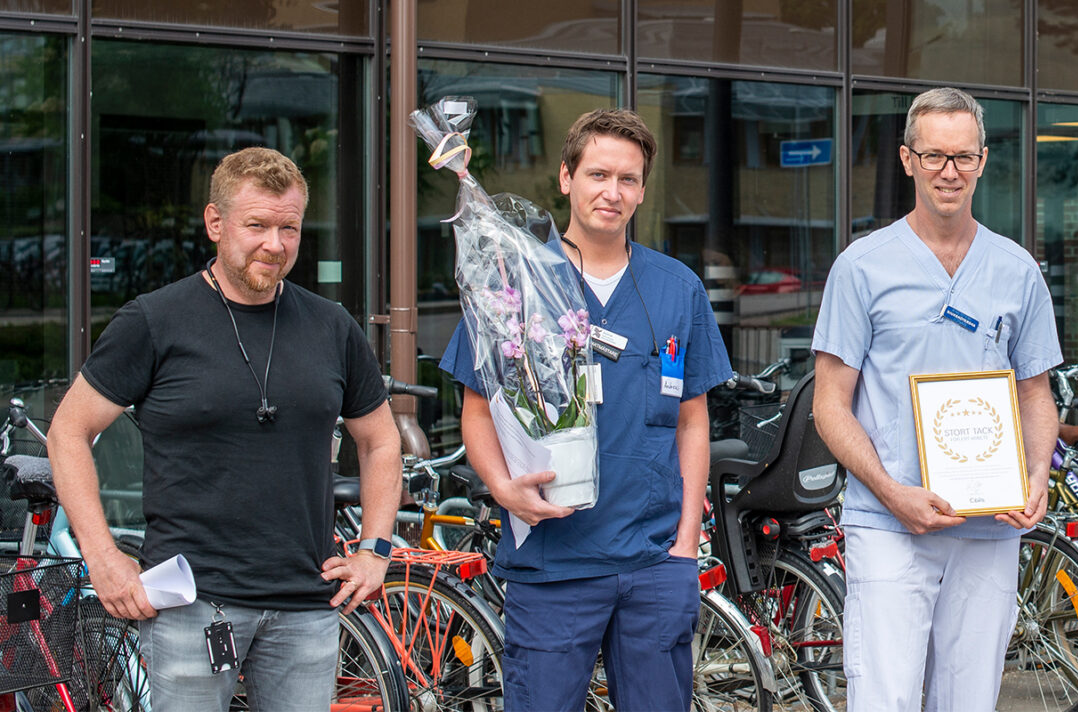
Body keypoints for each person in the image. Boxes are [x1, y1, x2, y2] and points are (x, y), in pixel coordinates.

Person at [47, 147, 400, 711]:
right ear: (216, 223)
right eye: (256, 225)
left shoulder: (331, 325)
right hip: (190, 606)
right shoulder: (154, 321)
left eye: (290, 228)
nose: (275, 245)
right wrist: (103, 556)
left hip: (308, 606)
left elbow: (380, 440)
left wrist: (375, 550)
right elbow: (68, 432)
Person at [441, 108, 732, 709]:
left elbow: (693, 419)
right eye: (599, 174)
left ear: (643, 190)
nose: (613, 192)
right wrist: (501, 487)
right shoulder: (515, 282)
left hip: (654, 561)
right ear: (566, 177)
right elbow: (476, 407)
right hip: (554, 564)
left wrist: (684, 545)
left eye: (628, 179)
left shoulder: (678, 289)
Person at [810, 86, 1061, 711]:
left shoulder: (1016, 271)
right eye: (934, 156)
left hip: (991, 527)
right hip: (890, 522)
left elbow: (1036, 394)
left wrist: (1037, 474)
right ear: (907, 160)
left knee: (969, 700)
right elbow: (830, 405)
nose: (949, 171)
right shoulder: (861, 267)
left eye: (963, 156)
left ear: (982, 160)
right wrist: (892, 492)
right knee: (884, 699)